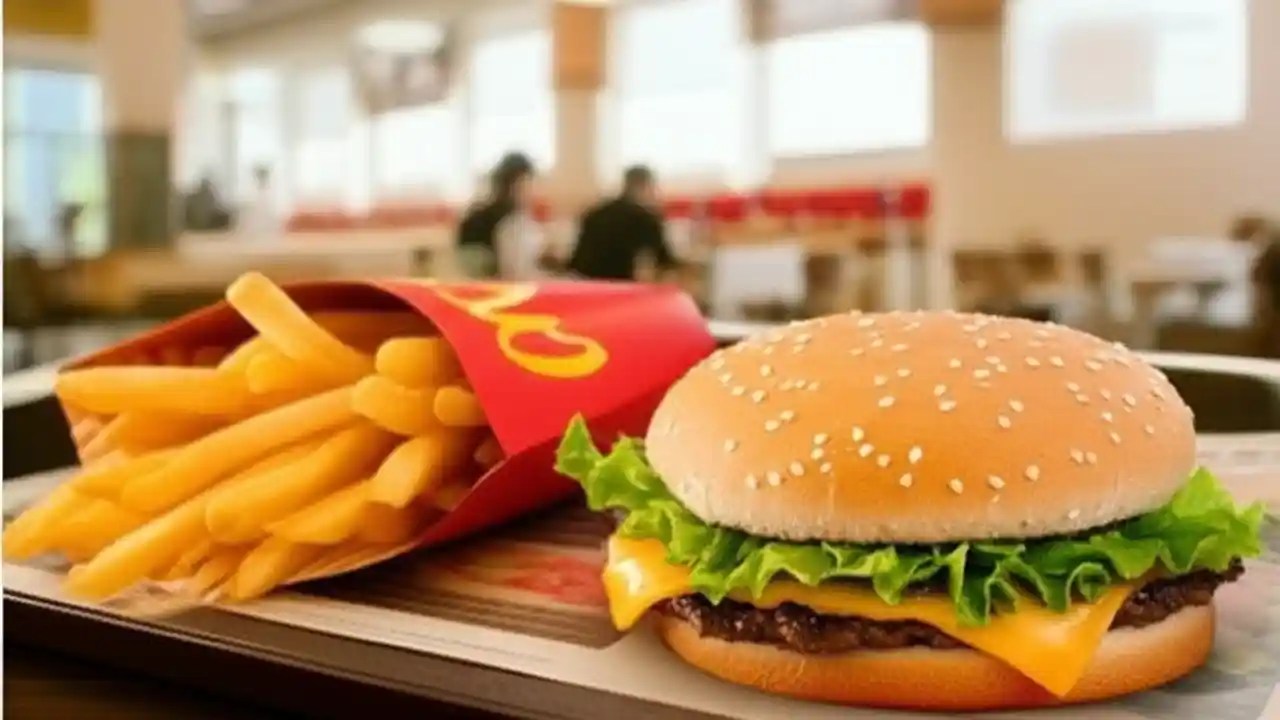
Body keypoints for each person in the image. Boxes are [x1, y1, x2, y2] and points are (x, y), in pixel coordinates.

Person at [568, 165, 677, 281]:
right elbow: (664, 262)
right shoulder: (646, 218)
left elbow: (576, 261)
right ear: (646, 186)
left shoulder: (595, 213)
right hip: (622, 286)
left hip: (585, 284)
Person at [456, 153, 536, 279]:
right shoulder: (509, 224)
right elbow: (515, 273)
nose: (530, 191)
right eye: (525, 185)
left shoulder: (480, 215)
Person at [237, 165, 281, 240]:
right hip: (252, 235)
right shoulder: (250, 193)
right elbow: (246, 219)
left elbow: (274, 218)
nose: (261, 178)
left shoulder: (272, 194)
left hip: (269, 234)